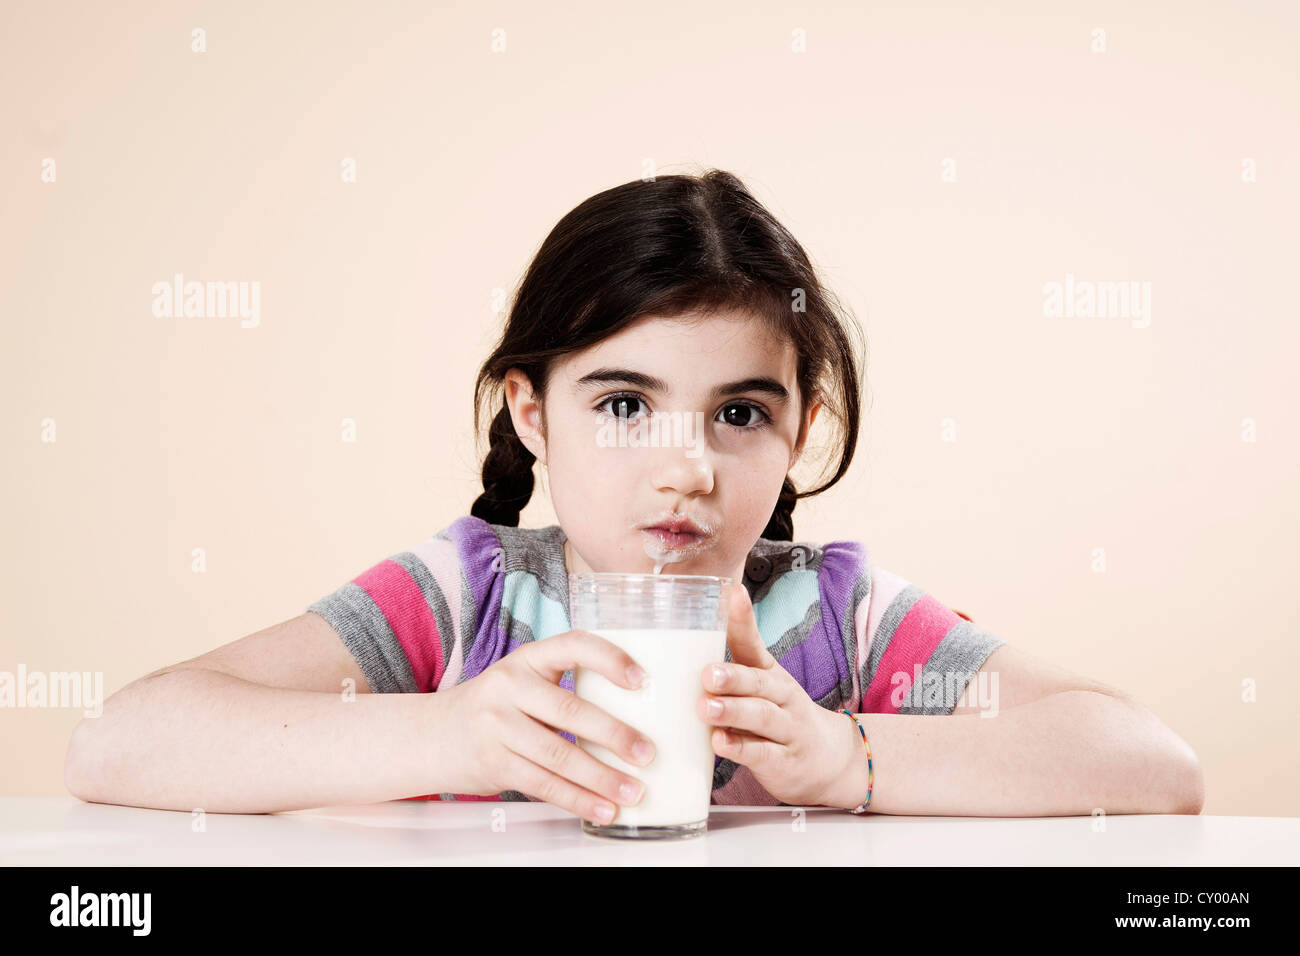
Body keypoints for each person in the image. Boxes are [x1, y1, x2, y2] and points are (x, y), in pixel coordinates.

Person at [64, 170, 1205, 822]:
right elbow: (119, 743)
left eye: (739, 413)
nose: (685, 467)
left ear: (800, 431)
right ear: (530, 413)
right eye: (622, 403)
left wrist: (846, 758)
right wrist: (450, 733)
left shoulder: (841, 623)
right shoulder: (465, 605)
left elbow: (1153, 764)